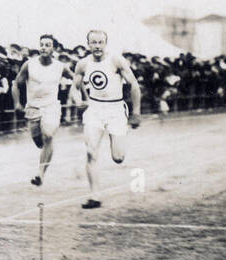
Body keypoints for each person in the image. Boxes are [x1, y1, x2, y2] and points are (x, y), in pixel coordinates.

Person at [72, 29, 141, 209]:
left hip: (116, 109)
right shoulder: (82, 63)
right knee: (90, 152)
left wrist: (136, 113)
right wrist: (78, 100)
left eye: (100, 42)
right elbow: (74, 86)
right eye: (93, 42)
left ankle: (119, 138)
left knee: (118, 157)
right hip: (94, 109)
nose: (97, 46)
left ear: (105, 44)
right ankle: (95, 196)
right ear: (88, 44)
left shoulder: (116, 60)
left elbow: (134, 85)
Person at [13, 34, 66, 186]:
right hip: (33, 108)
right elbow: (16, 84)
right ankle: (46, 153)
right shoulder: (29, 64)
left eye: (47, 45)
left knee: (48, 135)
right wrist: (17, 103)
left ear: (54, 48)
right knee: (39, 142)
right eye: (41, 44)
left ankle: (40, 174)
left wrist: (83, 95)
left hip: (52, 107)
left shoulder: (60, 66)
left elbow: (77, 78)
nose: (43, 47)